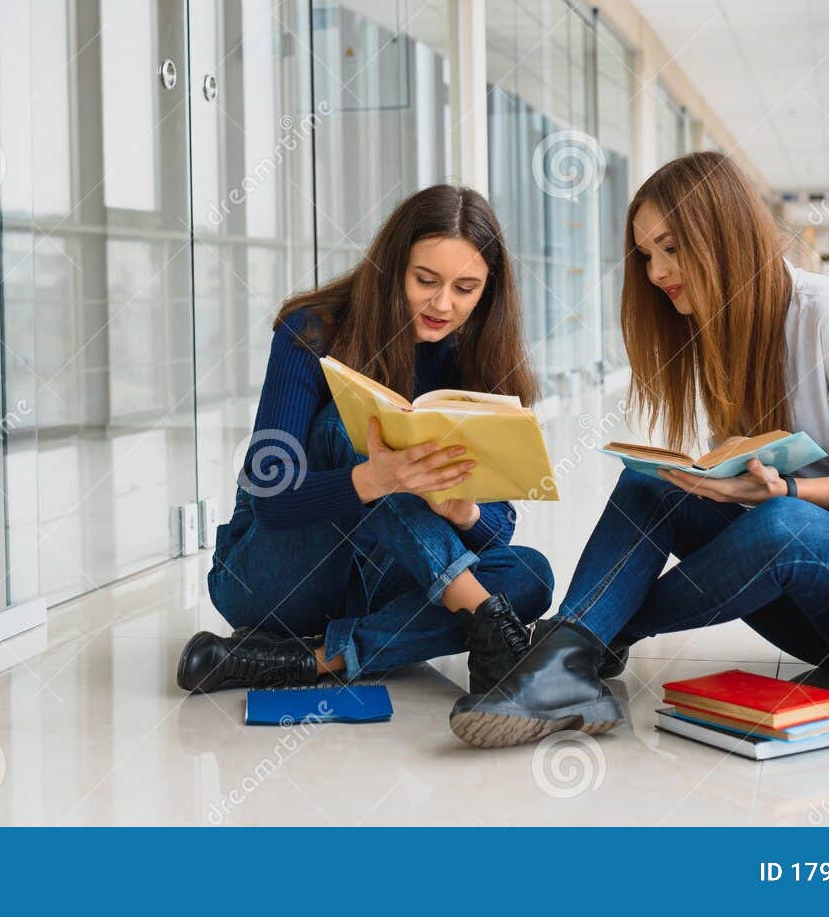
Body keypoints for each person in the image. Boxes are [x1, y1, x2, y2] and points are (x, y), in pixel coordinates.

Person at [449, 152, 829, 748]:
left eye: (671, 247)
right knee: (652, 485)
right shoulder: (731, 334)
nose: (658, 272)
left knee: (786, 522)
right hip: (803, 594)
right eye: (646, 255)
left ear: (724, 233)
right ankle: (574, 654)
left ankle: (572, 644)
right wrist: (721, 476)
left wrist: (786, 490)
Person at [177, 185, 554, 695]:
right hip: (274, 579)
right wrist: (377, 477)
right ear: (392, 267)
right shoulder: (310, 331)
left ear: (487, 290)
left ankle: (311, 660)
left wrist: (460, 510)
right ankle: (480, 614)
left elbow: (498, 528)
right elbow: (270, 502)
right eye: (426, 280)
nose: (443, 304)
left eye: (465, 289)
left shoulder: (476, 360)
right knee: (345, 424)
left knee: (531, 576)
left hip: (380, 580)